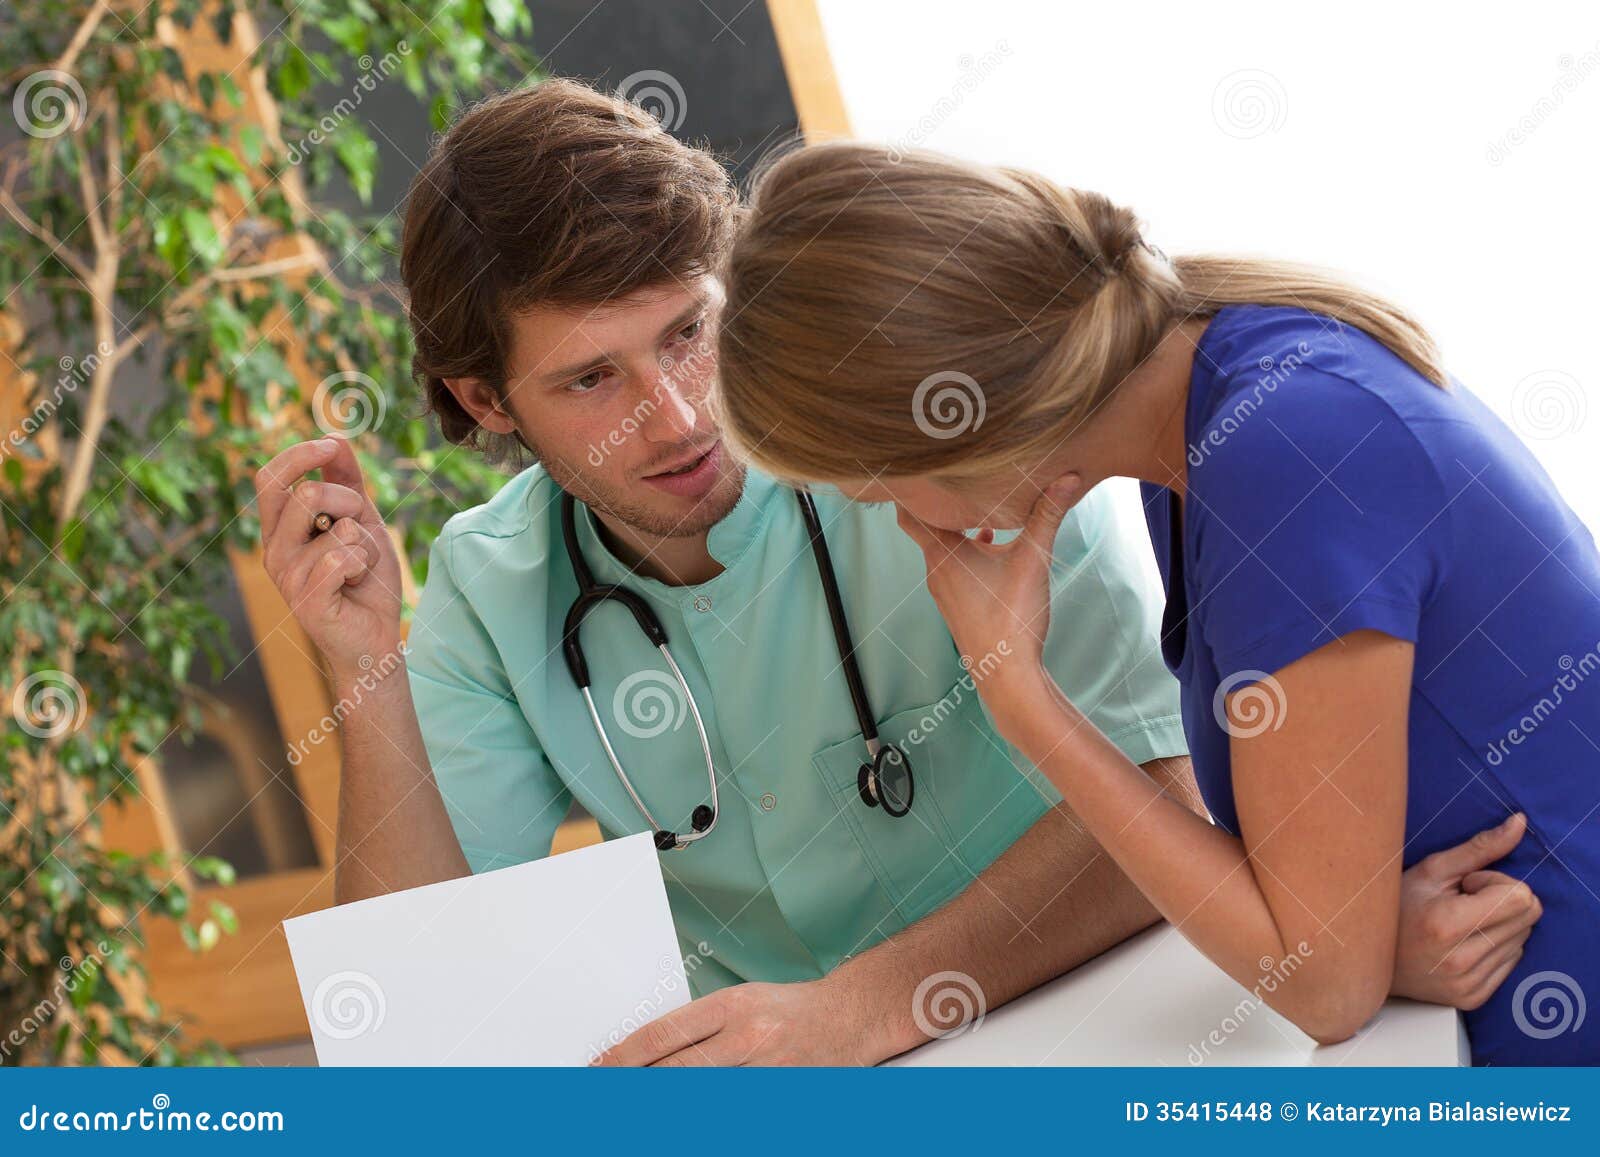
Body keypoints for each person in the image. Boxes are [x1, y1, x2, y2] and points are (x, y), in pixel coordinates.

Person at [253, 81, 1542, 1066]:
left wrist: (861, 1006)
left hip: (1106, 1012)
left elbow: (1167, 786)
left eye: (689, 334)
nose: (678, 417)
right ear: (486, 401)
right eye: (593, 379)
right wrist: (366, 675)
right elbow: (425, 999)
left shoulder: (936, 435)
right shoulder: (492, 584)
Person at [711, 141, 1599, 1066]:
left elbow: (1326, 987)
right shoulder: (1210, 392)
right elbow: (1315, 916)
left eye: (883, 490)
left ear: (952, 425)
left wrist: (1021, 697)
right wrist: (1361, 941)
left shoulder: (1283, 456)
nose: (902, 524)